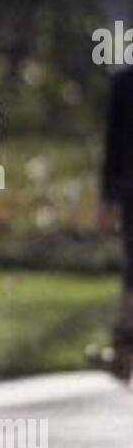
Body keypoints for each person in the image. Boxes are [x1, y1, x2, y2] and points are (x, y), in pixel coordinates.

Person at [97, 64, 133, 381]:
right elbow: (113, 147)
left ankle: (123, 347)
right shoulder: (124, 84)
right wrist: (107, 200)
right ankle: (123, 349)